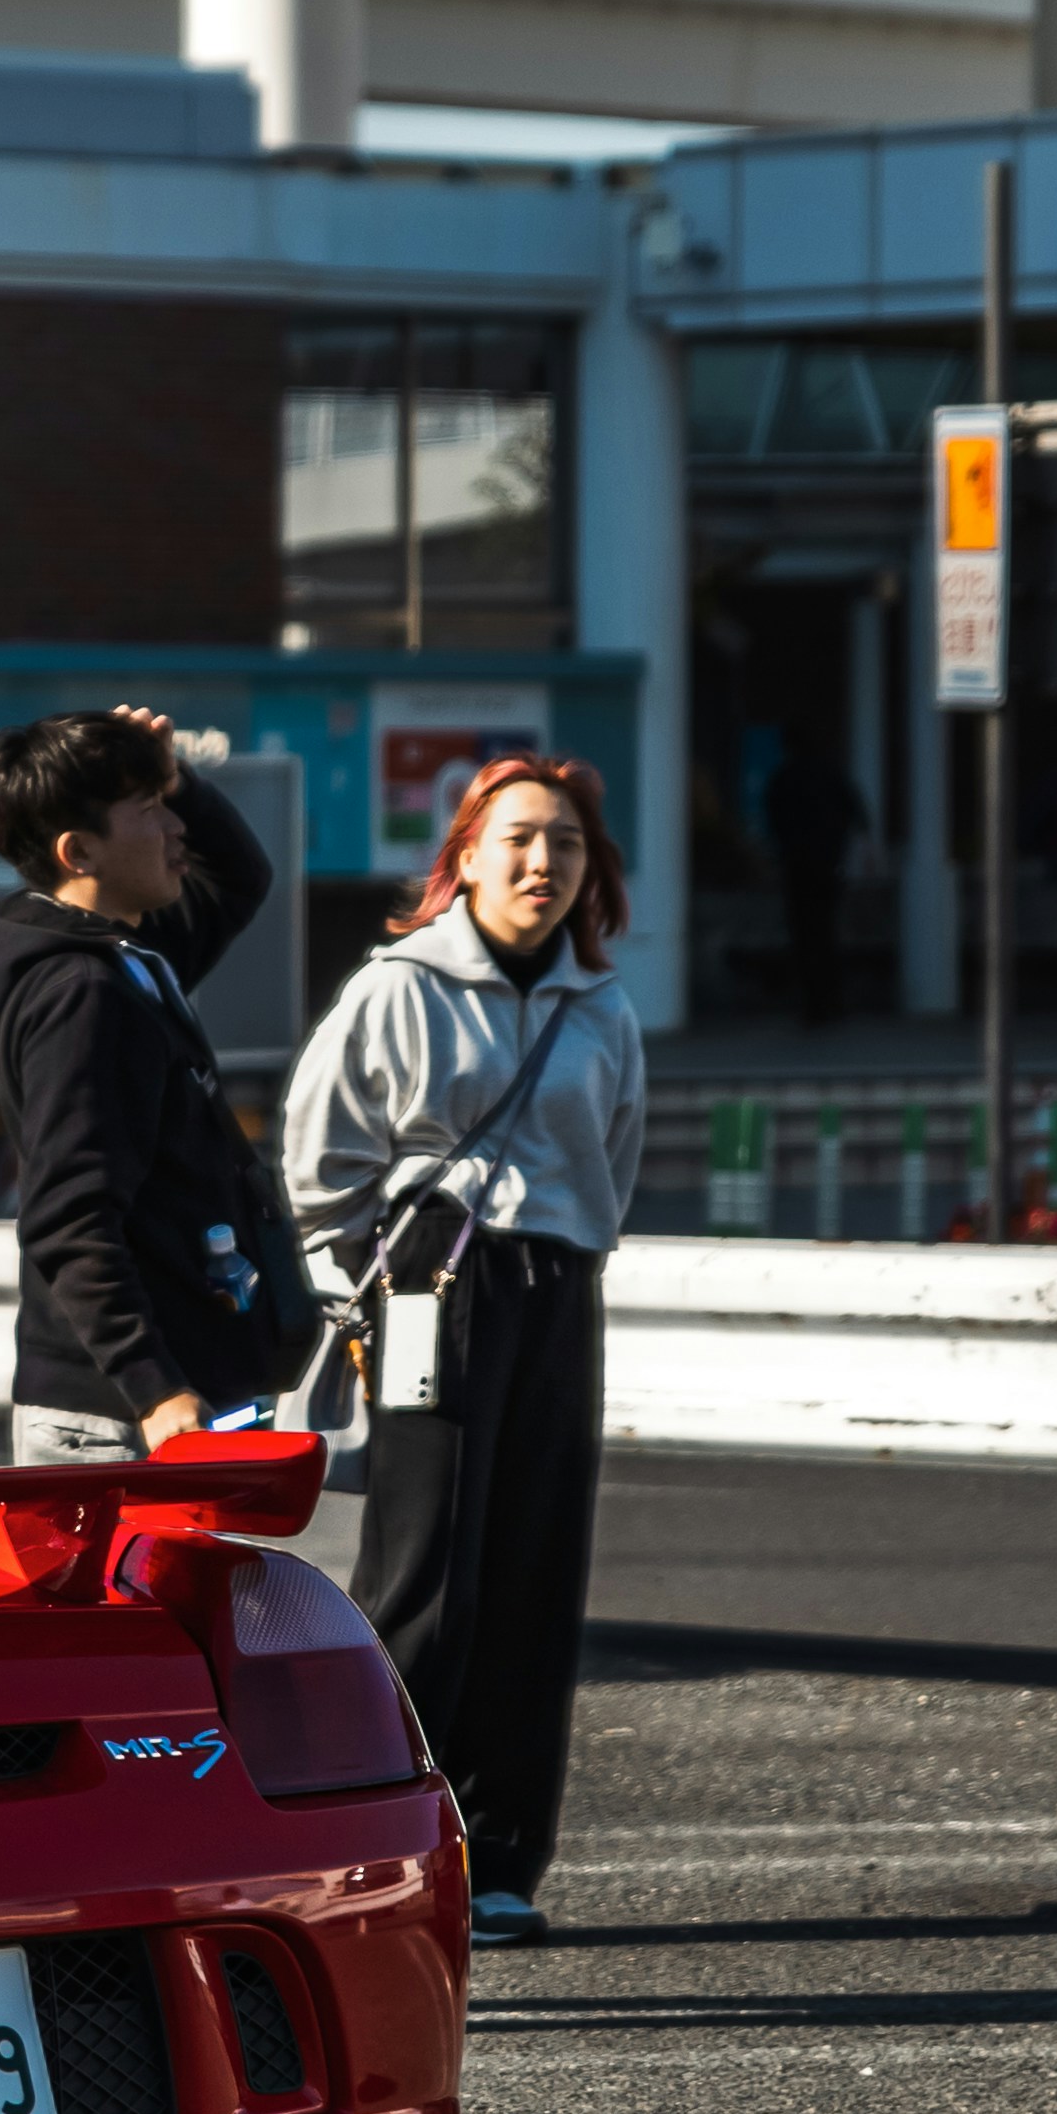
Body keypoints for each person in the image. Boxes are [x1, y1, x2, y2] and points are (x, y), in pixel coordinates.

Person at [281, 757, 649, 1950]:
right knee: (425, 1573)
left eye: (570, 845)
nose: (545, 863)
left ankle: (501, 1860)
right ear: (468, 856)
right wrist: (358, 1291)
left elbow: (616, 1158)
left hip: (556, 1286)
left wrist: (569, 1251)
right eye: (521, 839)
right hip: (433, 1283)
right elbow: (317, 1159)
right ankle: (375, 1840)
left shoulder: (602, 1003)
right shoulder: (396, 986)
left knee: (539, 1571)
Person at [0, 707, 309, 1469]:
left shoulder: (123, 958)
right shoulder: (81, 993)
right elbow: (68, 1217)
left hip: (163, 1397)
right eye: (149, 809)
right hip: (121, 1419)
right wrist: (153, 1388)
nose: (174, 827)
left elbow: (241, 877)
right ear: (78, 849)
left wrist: (176, 777)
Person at [760, 720, 863, 1035]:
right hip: (828, 865)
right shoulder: (830, 774)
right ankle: (832, 1000)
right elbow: (856, 811)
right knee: (827, 932)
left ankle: (813, 1004)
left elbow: (772, 818)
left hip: (797, 866)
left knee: (804, 935)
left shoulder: (784, 778)